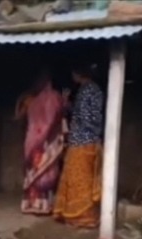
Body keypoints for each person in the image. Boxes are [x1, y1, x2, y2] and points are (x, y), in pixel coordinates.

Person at [53, 64, 105, 228]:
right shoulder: (95, 90)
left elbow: (85, 118)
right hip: (89, 141)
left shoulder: (86, 91)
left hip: (81, 142)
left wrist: (71, 116)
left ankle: (81, 217)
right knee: (85, 179)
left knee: (78, 180)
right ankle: (85, 216)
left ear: (78, 73)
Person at [15, 68, 66, 215]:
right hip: (46, 142)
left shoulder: (31, 100)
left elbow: (22, 118)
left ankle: (30, 204)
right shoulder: (55, 97)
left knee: (32, 172)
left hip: (31, 141)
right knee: (46, 172)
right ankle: (43, 206)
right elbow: (54, 119)